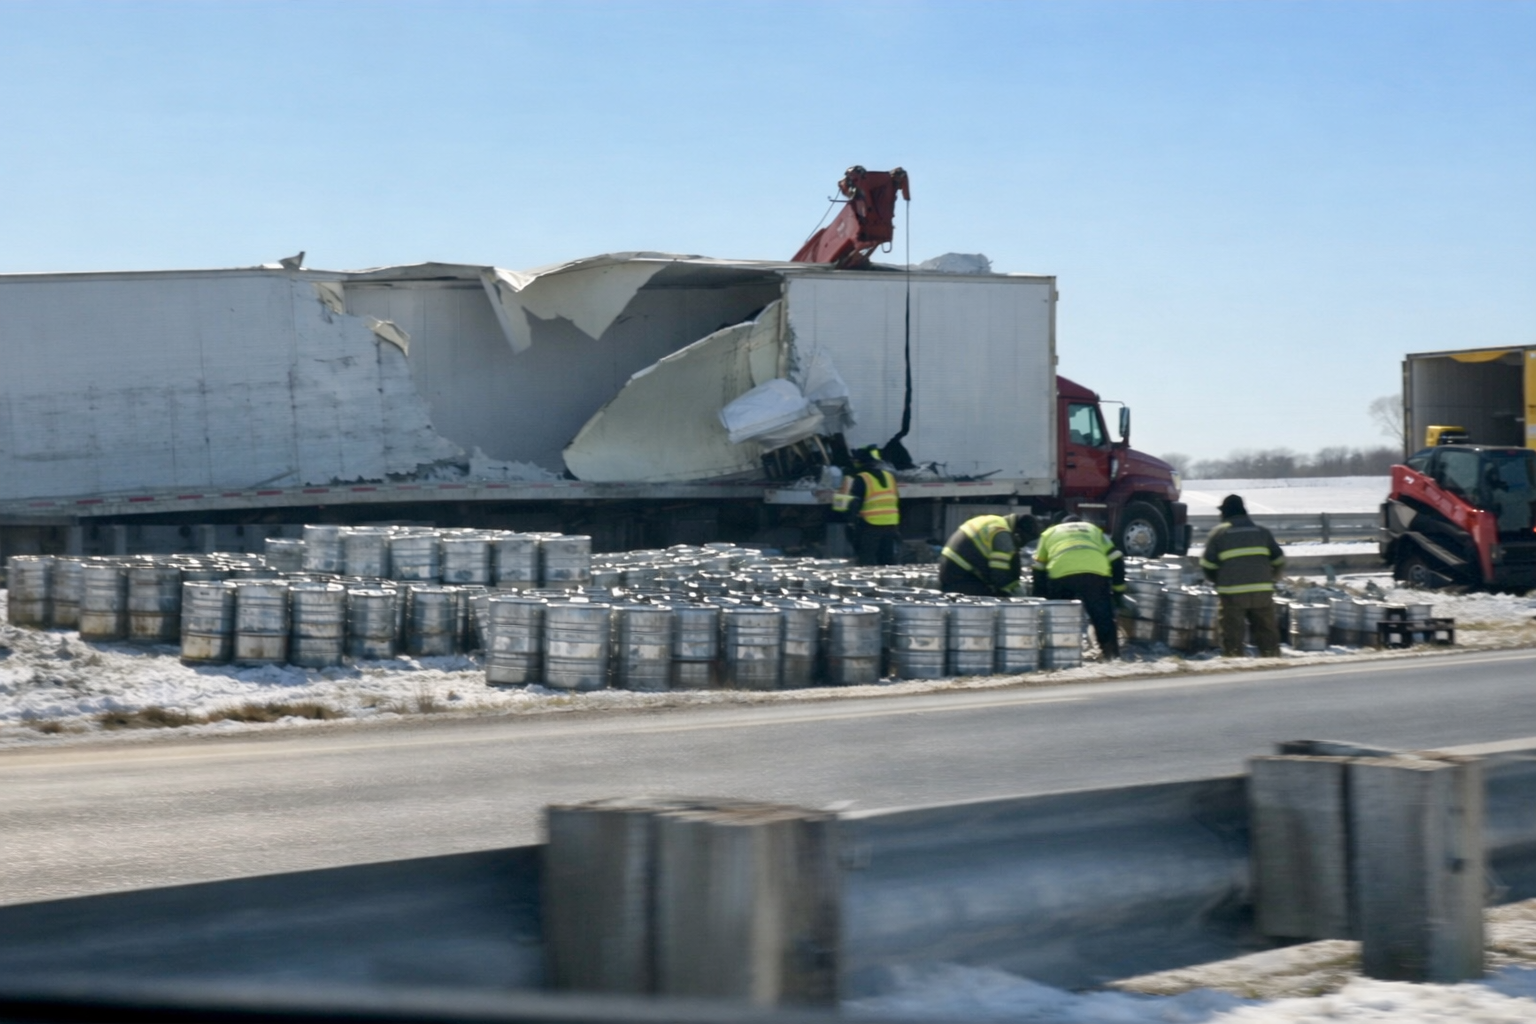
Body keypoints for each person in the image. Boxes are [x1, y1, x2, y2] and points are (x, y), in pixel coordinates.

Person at [1200, 494, 1286, 657]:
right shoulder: (1262, 532)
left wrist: (1219, 581)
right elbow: (1279, 560)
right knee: (1267, 631)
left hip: (1232, 594)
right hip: (1262, 593)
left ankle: (1235, 661)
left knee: (1232, 633)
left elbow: (1207, 565)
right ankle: (1272, 660)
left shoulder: (1219, 533)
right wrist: (1271, 578)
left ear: (1226, 512)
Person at [1031, 513, 1125, 660]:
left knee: (1060, 618)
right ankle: (1111, 654)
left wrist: (1041, 597)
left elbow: (1038, 567)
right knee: (1102, 615)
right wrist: (1118, 592)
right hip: (1095, 573)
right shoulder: (1093, 529)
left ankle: (1059, 654)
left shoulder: (1050, 532)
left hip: (1061, 573)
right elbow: (1116, 558)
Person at [830, 445, 902, 566]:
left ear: (860, 461)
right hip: (891, 524)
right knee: (888, 560)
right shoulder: (889, 476)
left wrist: (850, 522)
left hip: (871, 525)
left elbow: (854, 503)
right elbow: (895, 498)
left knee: (866, 560)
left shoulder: (862, 478)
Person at [939, 512, 1039, 596]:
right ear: (1018, 534)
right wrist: (1014, 593)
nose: (1020, 546)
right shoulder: (1002, 535)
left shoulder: (995, 521)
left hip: (949, 566)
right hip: (961, 573)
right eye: (1022, 541)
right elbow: (1000, 575)